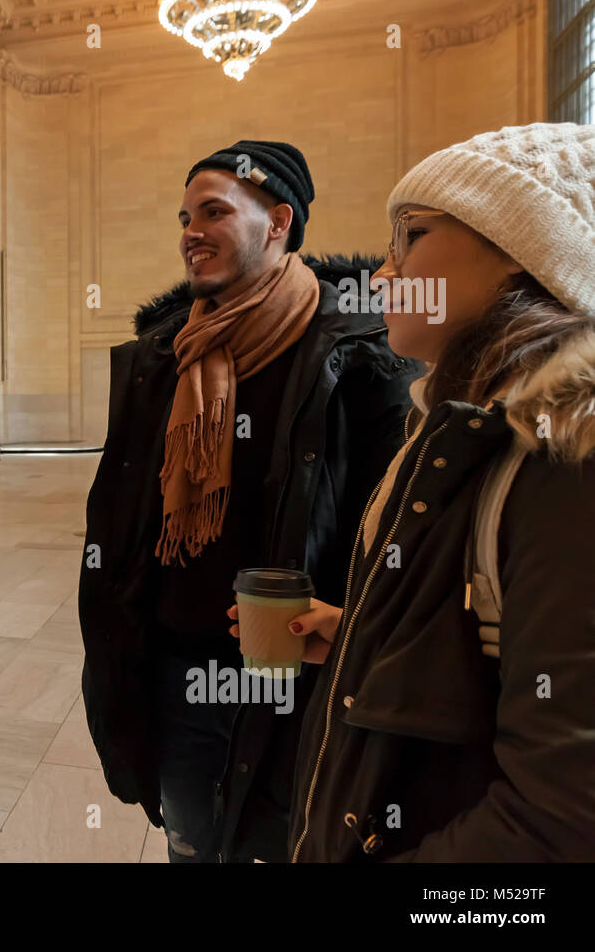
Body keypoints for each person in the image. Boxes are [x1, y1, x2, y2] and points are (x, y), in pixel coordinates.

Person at [241, 123, 595, 861]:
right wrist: (364, 637)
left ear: (523, 248)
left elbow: (559, 822)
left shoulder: (565, 454)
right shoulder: (462, 424)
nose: (381, 273)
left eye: (411, 235)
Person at [79, 140, 422, 863]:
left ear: (278, 221)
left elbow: (391, 536)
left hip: (299, 676)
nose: (190, 231)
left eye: (214, 212)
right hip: (176, 670)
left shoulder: (363, 356)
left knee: (288, 845)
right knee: (193, 847)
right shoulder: (163, 358)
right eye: (184, 216)